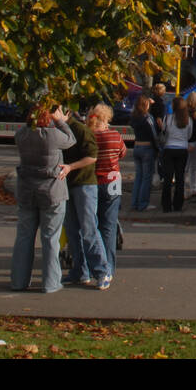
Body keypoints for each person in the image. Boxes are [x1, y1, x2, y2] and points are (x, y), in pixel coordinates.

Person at [10, 105, 75, 293]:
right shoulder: (52, 136)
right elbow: (71, 139)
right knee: (50, 239)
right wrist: (60, 120)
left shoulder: (22, 135)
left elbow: (23, 129)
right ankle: (50, 282)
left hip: (26, 190)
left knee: (24, 237)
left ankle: (19, 281)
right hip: (51, 191)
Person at [61, 111, 111, 289]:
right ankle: (80, 271)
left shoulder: (80, 130)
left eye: (54, 112)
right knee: (73, 230)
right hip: (70, 184)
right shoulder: (61, 129)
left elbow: (92, 156)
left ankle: (102, 271)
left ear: (64, 111)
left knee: (89, 228)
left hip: (84, 184)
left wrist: (70, 167)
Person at [90, 103, 126, 282]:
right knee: (109, 226)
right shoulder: (115, 136)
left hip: (94, 180)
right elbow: (122, 153)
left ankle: (96, 263)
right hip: (113, 179)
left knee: (93, 224)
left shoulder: (89, 136)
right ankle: (109, 266)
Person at [128, 93, 159, 211]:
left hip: (137, 146)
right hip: (147, 147)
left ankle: (134, 203)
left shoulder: (134, 117)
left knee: (138, 177)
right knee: (146, 178)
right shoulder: (147, 118)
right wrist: (158, 148)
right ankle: (143, 203)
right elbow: (153, 134)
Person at [159, 96, 190, 212]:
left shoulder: (168, 118)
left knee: (168, 178)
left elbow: (164, 132)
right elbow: (189, 135)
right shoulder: (188, 120)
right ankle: (178, 204)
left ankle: (166, 205)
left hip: (169, 148)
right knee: (180, 177)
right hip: (182, 149)